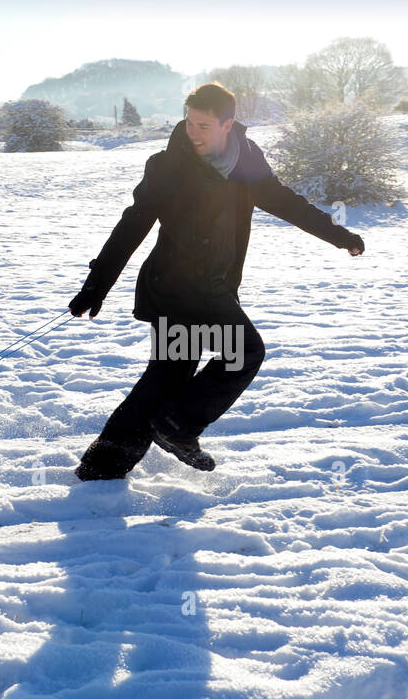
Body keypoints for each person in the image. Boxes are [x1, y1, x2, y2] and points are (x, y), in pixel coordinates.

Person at [69, 81, 365, 480]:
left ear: (228, 125)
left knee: (168, 373)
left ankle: (102, 467)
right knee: (244, 352)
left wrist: (339, 235)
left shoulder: (247, 164)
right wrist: (97, 283)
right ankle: (177, 427)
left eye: (203, 126)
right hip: (175, 287)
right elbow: (133, 224)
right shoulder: (167, 166)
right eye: (189, 123)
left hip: (215, 286)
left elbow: (285, 201)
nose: (193, 133)